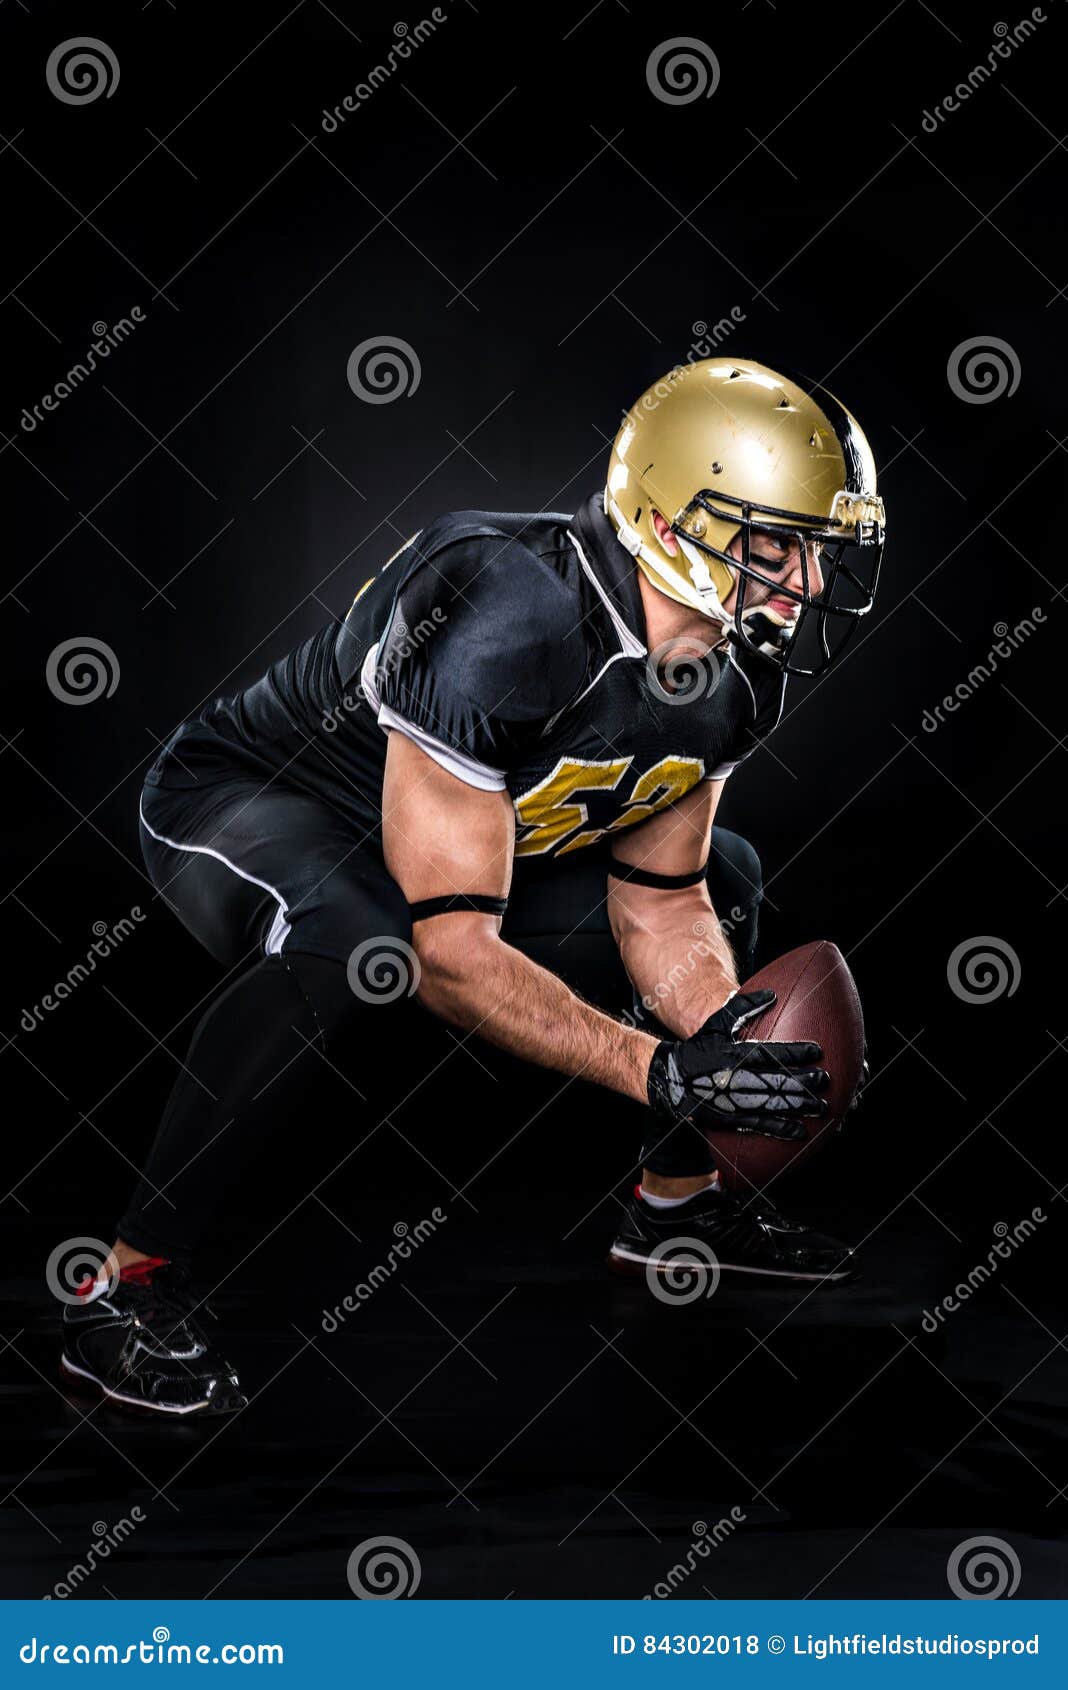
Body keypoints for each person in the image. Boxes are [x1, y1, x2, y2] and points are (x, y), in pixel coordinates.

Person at [60, 358, 886, 1417]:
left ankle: (676, 1210)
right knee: (353, 936)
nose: (807, 584)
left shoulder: (734, 666)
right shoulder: (508, 601)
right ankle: (120, 1286)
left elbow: (660, 895)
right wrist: (661, 1069)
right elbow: (449, 956)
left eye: (817, 550)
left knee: (729, 875)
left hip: (464, 837)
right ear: (671, 525)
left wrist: (719, 1046)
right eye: (775, 545)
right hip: (259, 801)